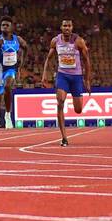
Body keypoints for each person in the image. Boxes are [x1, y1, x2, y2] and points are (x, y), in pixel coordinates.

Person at [40, 18, 92, 147]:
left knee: (78, 110)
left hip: (76, 77)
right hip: (62, 75)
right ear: (61, 27)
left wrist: (87, 80)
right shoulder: (55, 41)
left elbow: (86, 61)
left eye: (69, 26)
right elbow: (48, 58)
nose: (67, 28)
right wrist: (44, 74)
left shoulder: (78, 41)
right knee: (60, 102)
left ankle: (76, 98)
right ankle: (64, 138)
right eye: (64, 26)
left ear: (72, 27)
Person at [0, 17, 28, 130]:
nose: (5, 27)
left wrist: (20, 65)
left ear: (12, 27)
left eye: (7, 25)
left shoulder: (18, 40)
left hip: (10, 69)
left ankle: (8, 115)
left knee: (8, 87)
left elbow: (26, 48)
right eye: (3, 25)